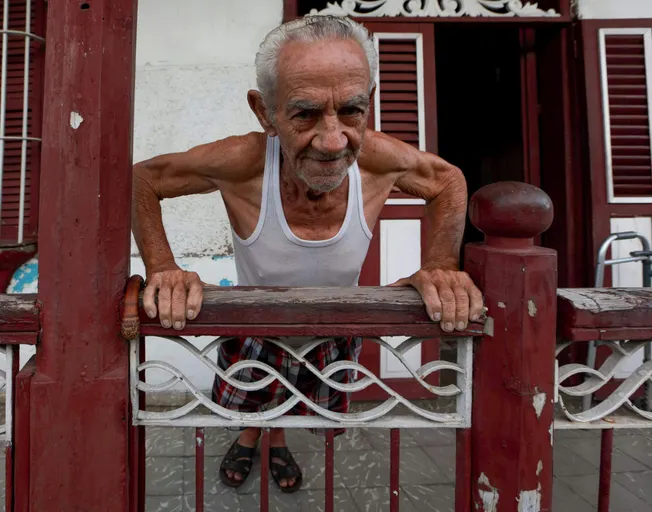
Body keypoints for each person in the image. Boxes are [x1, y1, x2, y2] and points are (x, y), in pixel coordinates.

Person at [131, 15, 483, 494]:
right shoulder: (243, 162)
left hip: (331, 329)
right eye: (305, 114)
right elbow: (144, 179)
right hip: (256, 325)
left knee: (293, 409)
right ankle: (252, 440)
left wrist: (441, 264)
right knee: (255, 398)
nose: (333, 140)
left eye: (351, 111)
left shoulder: (380, 159)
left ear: (369, 103)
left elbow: (448, 180)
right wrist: (163, 267)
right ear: (265, 113)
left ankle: (277, 443)